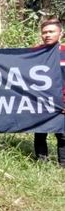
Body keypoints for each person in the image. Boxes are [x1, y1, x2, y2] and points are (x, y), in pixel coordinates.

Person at [33, 19, 65, 167]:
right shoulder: (35, 52)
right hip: (41, 102)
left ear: (60, 33)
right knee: (40, 134)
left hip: (62, 102)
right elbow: (10, 60)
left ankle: (62, 166)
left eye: (51, 31)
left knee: (62, 136)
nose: (47, 35)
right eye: (44, 32)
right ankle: (42, 164)